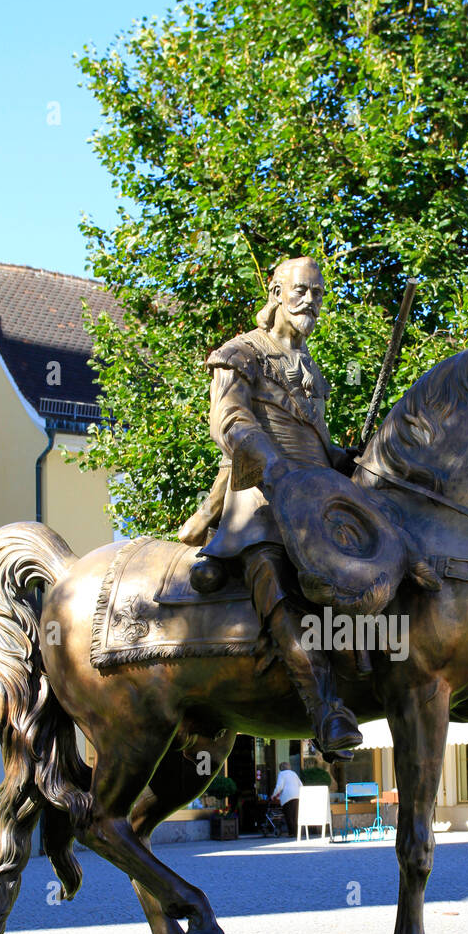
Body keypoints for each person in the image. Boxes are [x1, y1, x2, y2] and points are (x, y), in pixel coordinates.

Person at [179, 255, 362, 761]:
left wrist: (350, 458)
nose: (310, 300)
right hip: (260, 492)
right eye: (301, 290)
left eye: (318, 293)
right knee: (275, 575)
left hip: (318, 497)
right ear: (276, 291)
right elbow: (231, 424)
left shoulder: (314, 372)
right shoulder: (240, 354)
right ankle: (324, 709)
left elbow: (317, 443)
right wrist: (275, 468)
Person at [271, 762, 303, 838]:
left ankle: (291, 833)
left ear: (281, 768)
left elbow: (279, 786)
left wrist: (273, 795)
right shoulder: (294, 773)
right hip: (296, 796)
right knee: (295, 815)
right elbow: (301, 784)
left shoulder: (281, 774)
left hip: (287, 797)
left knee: (289, 816)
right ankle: (296, 832)